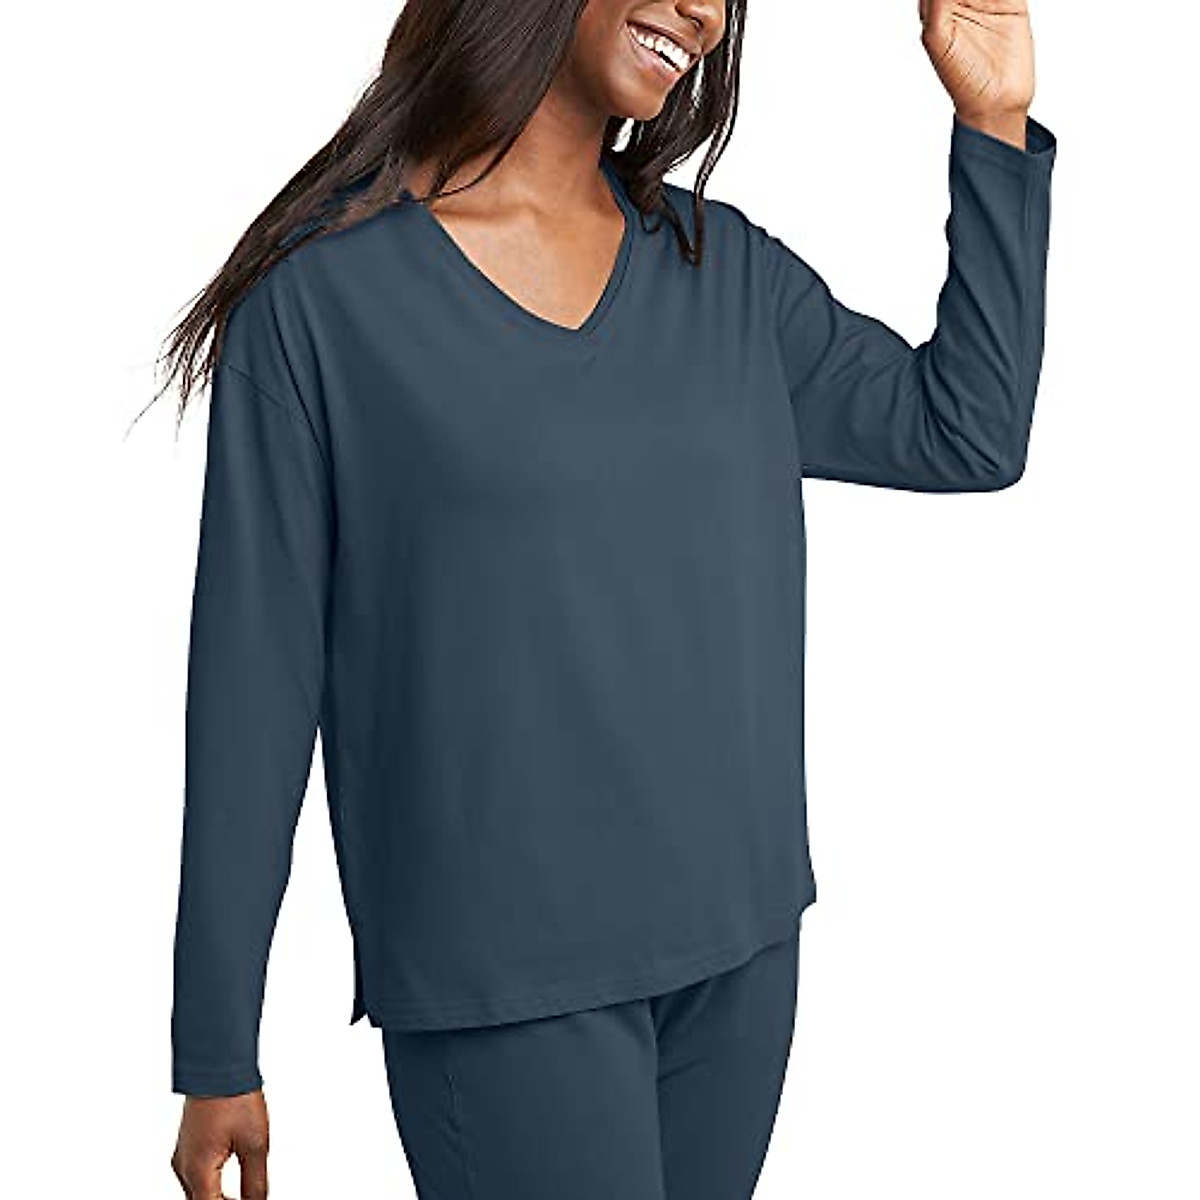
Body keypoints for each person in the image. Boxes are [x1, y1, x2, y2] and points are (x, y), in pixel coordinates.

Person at [157, 0, 1057, 1195]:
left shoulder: (721, 271)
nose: (704, 12)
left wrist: (993, 120)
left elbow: (968, 431)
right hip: (505, 986)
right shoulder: (323, 302)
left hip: (738, 955)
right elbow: (252, 692)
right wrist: (217, 1043)